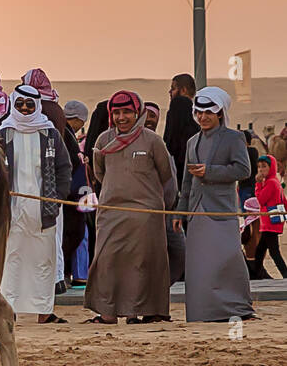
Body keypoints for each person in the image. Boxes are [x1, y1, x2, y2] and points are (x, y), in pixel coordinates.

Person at [83, 91, 176, 324]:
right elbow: (100, 173)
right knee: (106, 259)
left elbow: (166, 175)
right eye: (117, 113)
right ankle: (107, 313)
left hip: (146, 213)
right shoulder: (103, 141)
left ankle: (138, 312)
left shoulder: (152, 141)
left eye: (127, 112)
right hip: (111, 211)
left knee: (141, 263)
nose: (122, 117)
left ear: (138, 113)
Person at [176, 86, 255, 322]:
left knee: (228, 259)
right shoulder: (192, 141)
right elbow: (187, 181)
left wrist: (210, 172)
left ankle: (238, 309)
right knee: (200, 264)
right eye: (198, 112)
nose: (203, 117)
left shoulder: (233, 138)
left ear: (220, 112)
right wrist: (179, 212)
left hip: (221, 209)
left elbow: (243, 169)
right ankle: (203, 312)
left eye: (208, 112)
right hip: (196, 210)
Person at [0, 84, 71, 323]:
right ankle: (9, 310)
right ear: (14, 104)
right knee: (12, 258)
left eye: (30, 105)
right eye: (21, 105)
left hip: (44, 208)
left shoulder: (50, 133)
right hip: (12, 208)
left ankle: (44, 312)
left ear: (38, 105)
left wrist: (57, 197)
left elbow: (64, 168)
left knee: (44, 259)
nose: (26, 109)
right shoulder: (4, 133)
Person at [62, 100, 90, 286]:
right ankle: (73, 274)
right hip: (74, 194)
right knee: (77, 232)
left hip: (72, 192)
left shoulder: (65, 132)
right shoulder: (67, 134)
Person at [250, 155, 287, 279]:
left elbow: (261, 199)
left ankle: (285, 275)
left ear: (271, 168)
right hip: (270, 221)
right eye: (259, 167)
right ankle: (255, 274)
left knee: (273, 252)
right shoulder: (275, 181)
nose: (261, 170)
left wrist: (258, 184)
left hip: (270, 222)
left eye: (264, 166)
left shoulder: (271, 182)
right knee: (260, 250)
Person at [163, 73, 199, 176]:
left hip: (179, 166)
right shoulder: (198, 112)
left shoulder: (178, 104)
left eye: (173, 88)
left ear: (183, 90)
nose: (170, 92)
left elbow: (171, 138)